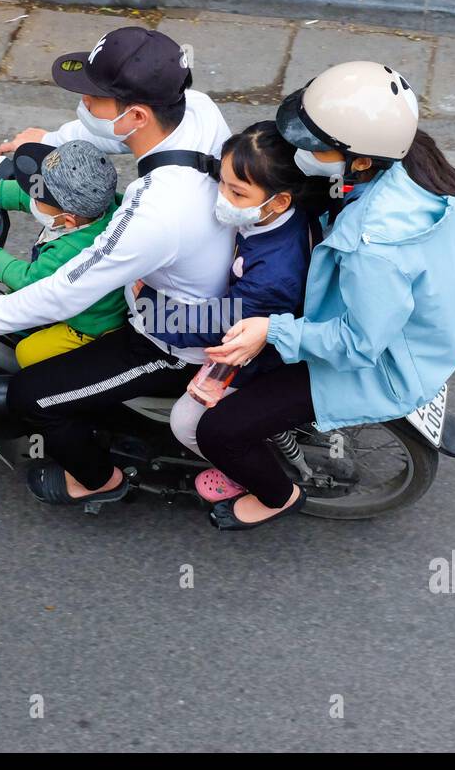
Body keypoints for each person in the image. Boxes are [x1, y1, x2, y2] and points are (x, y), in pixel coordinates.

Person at [0, 26, 235, 508]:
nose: (85, 107)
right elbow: (116, 139)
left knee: (33, 398)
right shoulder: (194, 109)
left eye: (93, 100)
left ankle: (99, 481)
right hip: (194, 289)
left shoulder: (157, 212)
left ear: (135, 114)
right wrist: (52, 141)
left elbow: (66, 290)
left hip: (175, 336)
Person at [196, 61, 455, 531]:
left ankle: (277, 497)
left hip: (379, 359)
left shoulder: (375, 246)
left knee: (219, 430)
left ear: (360, 160)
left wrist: (274, 329)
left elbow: (359, 343)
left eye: (314, 146)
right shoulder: (409, 158)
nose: (298, 150)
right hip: (421, 325)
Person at [136, 121, 319, 501]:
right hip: (263, 322)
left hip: (258, 352)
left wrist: (148, 309)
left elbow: (219, 324)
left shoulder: (275, 274)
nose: (222, 197)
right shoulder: (281, 219)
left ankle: (244, 472)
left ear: (279, 200)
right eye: (221, 182)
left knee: (186, 424)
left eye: (236, 191)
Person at [0, 140, 127, 368]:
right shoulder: (102, 203)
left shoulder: (70, 251)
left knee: (28, 353)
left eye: (38, 200)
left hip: (89, 324)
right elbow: (39, 195)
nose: (33, 199)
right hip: (100, 295)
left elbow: (29, 282)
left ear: (69, 220)